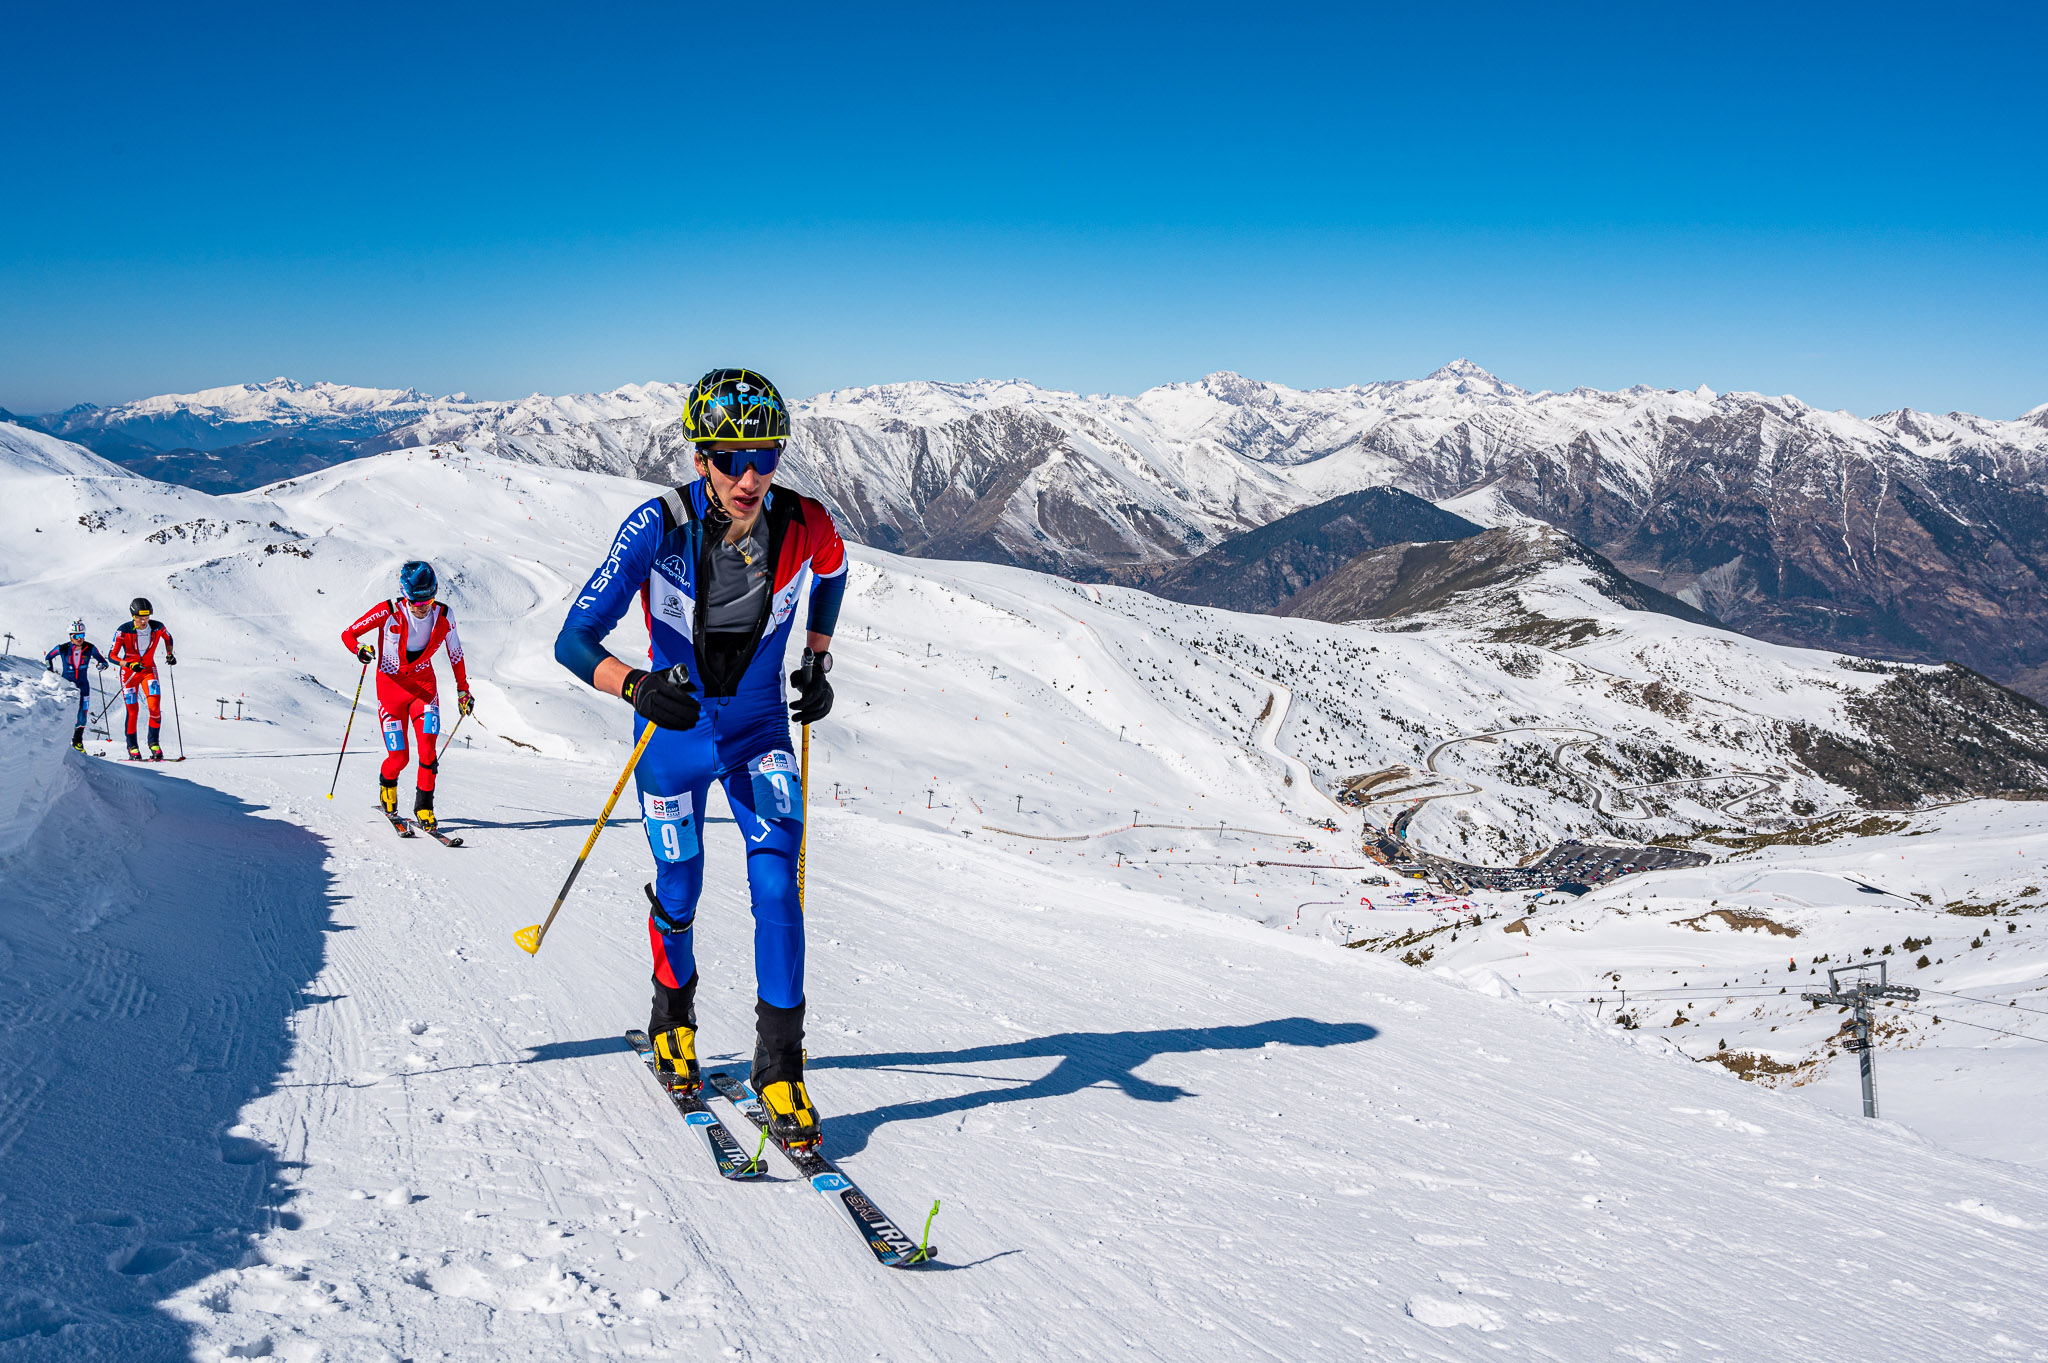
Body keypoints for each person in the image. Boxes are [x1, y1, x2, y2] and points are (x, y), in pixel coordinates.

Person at [555, 368, 845, 1148]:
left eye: (767, 455)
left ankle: (780, 1065)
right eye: (731, 457)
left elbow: (836, 567)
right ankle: (671, 1015)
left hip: (757, 735)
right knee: (680, 885)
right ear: (701, 456)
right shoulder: (658, 525)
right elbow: (571, 640)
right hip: (674, 743)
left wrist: (817, 656)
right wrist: (636, 685)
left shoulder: (804, 522)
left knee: (778, 883)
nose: (751, 476)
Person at [341, 561, 474, 830]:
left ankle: (424, 807)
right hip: (391, 690)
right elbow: (349, 634)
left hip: (424, 689)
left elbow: (455, 654)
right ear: (405, 593)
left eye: (428, 600)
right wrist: (360, 649)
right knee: (399, 758)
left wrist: (463, 690)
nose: (422, 607)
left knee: (427, 752)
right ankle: (387, 790)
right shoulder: (387, 611)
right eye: (415, 601)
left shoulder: (444, 615)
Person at [108, 598, 175, 760]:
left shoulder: (158, 627)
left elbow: (168, 638)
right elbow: (111, 656)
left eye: (146, 617)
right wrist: (129, 665)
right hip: (129, 674)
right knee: (133, 711)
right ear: (133, 616)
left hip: (148, 671)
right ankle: (132, 746)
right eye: (140, 617)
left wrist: (169, 654)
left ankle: (154, 743)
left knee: (154, 707)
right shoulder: (123, 630)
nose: (144, 621)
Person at [46, 619, 108, 750]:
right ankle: (60, 741)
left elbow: (104, 662)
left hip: (83, 685)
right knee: (65, 711)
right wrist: (50, 671)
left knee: (83, 713)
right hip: (67, 685)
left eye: (82, 635)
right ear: (71, 637)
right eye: (77, 636)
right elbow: (48, 657)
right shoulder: (62, 648)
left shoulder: (90, 647)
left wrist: (101, 665)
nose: (80, 639)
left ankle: (77, 741)